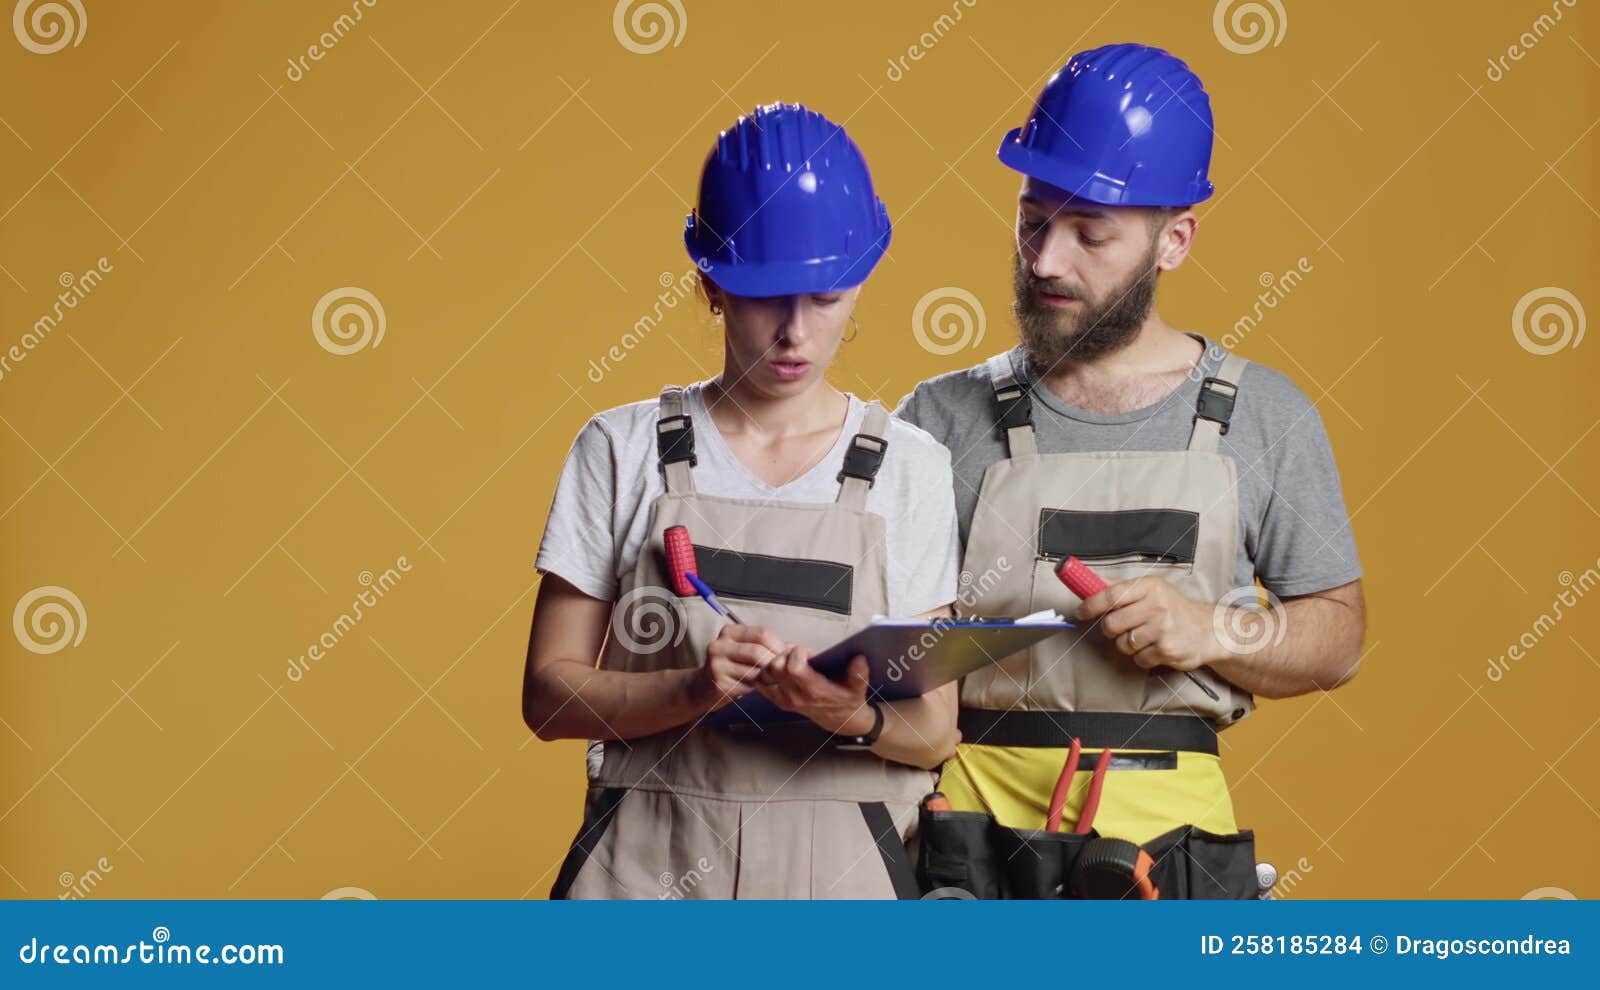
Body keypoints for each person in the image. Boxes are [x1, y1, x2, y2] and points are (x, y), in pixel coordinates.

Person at [896, 44, 1366, 898]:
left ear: (1174, 240)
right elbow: (883, 659)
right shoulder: (937, 418)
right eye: (1033, 219)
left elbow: (1338, 637)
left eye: (1090, 234)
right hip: (970, 841)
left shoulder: (1264, 414)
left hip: (1171, 851)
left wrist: (1215, 632)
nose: (1045, 260)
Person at [524, 102, 961, 899]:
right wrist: (689, 690)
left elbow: (934, 735)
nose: (795, 332)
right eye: (767, 296)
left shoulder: (913, 468)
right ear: (710, 282)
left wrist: (846, 716)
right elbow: (548, 699)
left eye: (825, 297)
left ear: (860, 278)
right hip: (644, 878)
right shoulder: (619, 449)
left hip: (844, 889)